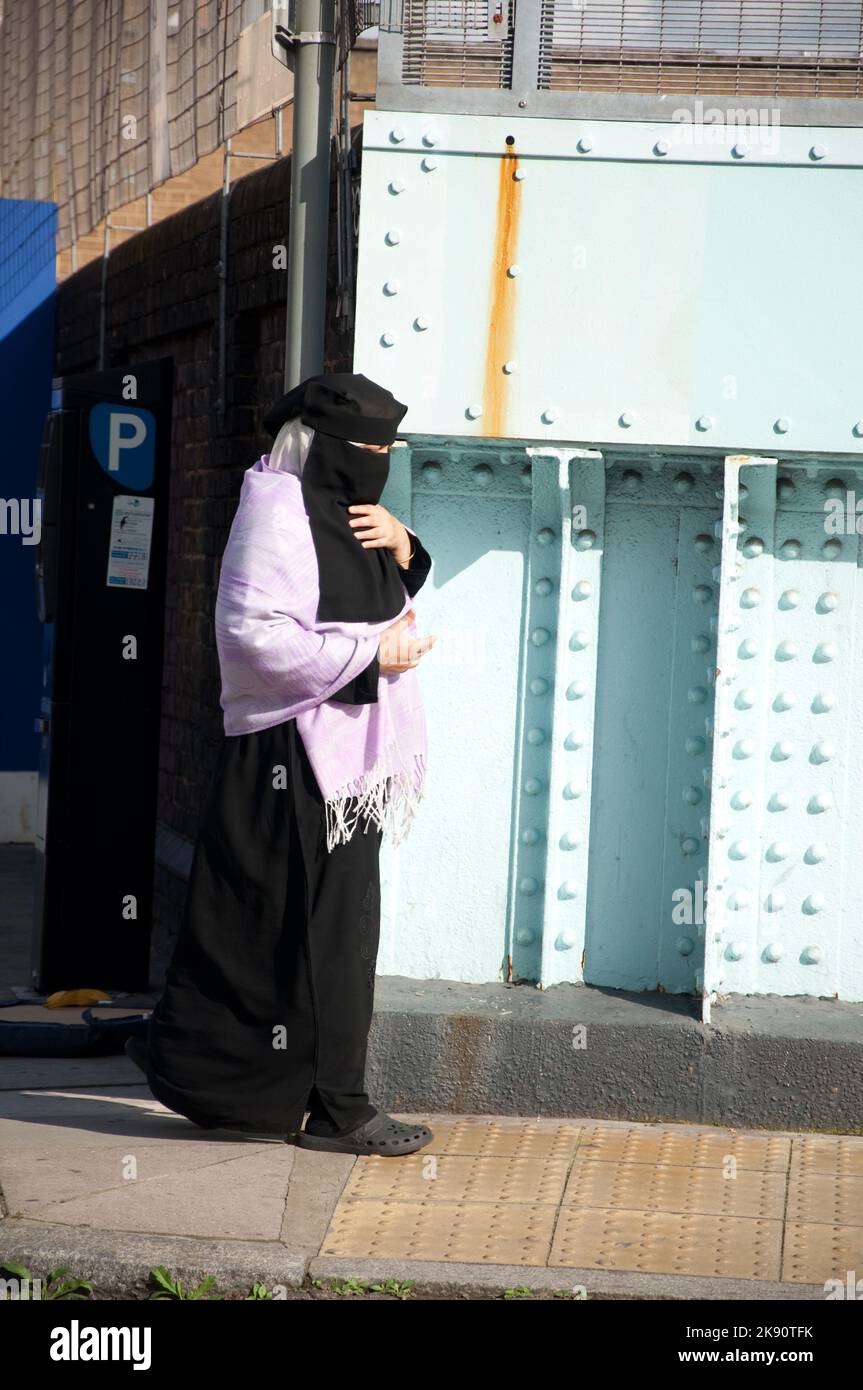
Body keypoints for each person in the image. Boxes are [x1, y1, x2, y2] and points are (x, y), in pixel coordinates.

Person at [127, 372, 437, 1156]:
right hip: (291, 756)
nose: (382, 461)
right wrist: (374, 655)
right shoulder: (273, 513)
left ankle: (205, 1066)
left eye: (389, 447)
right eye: (370, 447)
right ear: (325, 446)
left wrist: (406, 548)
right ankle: (339, 1110)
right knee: (303, 929)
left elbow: (365, 593)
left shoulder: (340, 509)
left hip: (339, 763)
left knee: (292, 926)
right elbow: (252, 638)